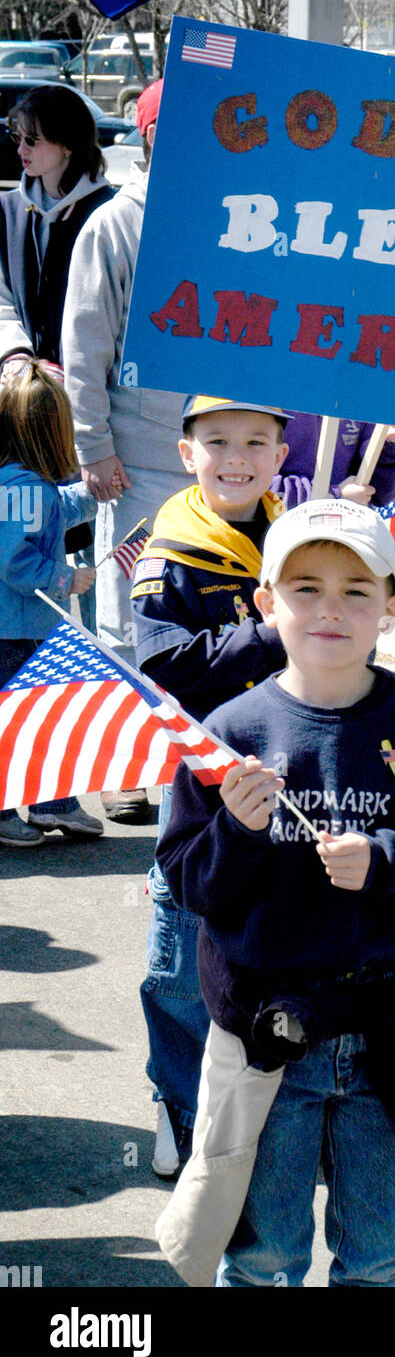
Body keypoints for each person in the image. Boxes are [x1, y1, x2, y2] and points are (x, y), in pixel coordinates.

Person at [156, 499, 395, 1285]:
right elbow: (186, 882)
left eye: (357, 590)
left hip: (389, 1029)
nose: (330, 609)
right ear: (265, 606)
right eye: (304, 587)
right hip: (265, 1038)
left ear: (393, 607)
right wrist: (236, 834)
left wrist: (391, 863)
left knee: (381, 1252)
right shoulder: (231, 733)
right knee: (264, 1255)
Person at [131, 393, 289, 1176]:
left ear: (281, 454)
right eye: (217, 440)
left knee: (269, 938)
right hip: (199, 778)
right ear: (187, 451)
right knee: (183, 948)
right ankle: (177, 1106)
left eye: (257, 441)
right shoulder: (172, 546)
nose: (238, 457)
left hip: (287, 768)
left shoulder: (296, 534)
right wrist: (266, 629)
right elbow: (164, 667)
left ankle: (255, 1105)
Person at [61, 77, 187, 824]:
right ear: (146, 137)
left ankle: (186, 754)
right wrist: (93, 447)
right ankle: (127, 766)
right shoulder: (115, 227)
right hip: (135, 460)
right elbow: (85, 345)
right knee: (125, 613)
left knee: (206, 616)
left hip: (219, 458)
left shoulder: (230, 217)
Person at [0, 359, 102, 844]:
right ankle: (31, 808)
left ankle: (50, 805)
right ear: (52, 431)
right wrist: (67, 578)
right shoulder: (27, 488)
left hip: (23, 628)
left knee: (37, 718)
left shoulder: (19, 484)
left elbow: (57, 509)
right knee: (31, 721)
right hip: (17, 631)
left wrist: (97, 491)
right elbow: (16, 564)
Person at [0, 85, 113, 375]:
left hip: (90, 390)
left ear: (67, 145)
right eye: (18, 137)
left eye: (32, 140)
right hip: (18, 387)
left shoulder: (110, 213)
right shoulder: (6, 210)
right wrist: (16, 356)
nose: (20, 149)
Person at [270, 413, 395, 509]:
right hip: (270, 539)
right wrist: (333, 497)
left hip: (341, 539)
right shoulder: (267, 388)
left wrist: (391, 444)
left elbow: (380, 493)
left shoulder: (358, 388)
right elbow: (256, 488)